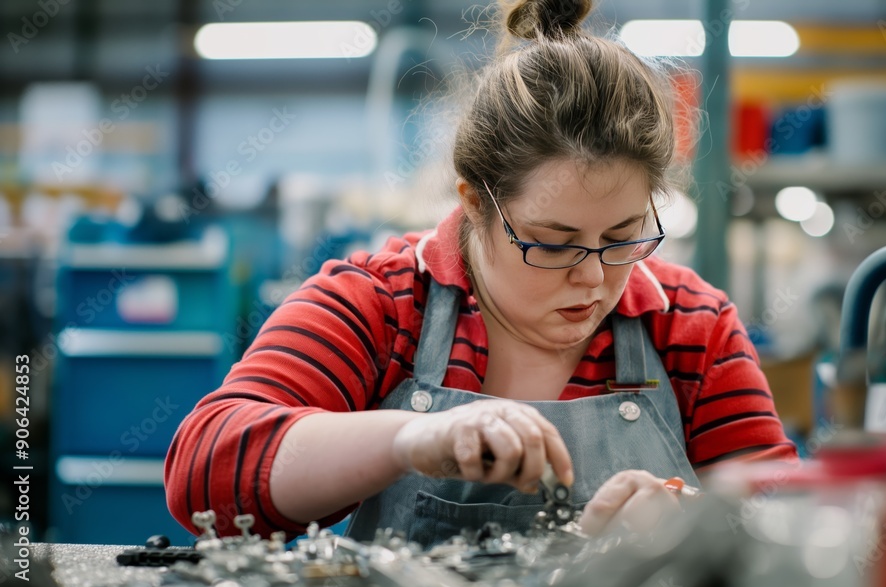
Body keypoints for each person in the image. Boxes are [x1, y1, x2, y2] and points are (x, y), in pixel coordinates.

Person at [164, 0, 797, 546]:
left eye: (623, 239)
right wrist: (408, 440)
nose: (595, 279)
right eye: (553, 243)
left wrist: (695, 527)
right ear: (474, 203)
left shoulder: (690, 325)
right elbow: (204, 471)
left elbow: (792, 525)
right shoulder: (384, 305)